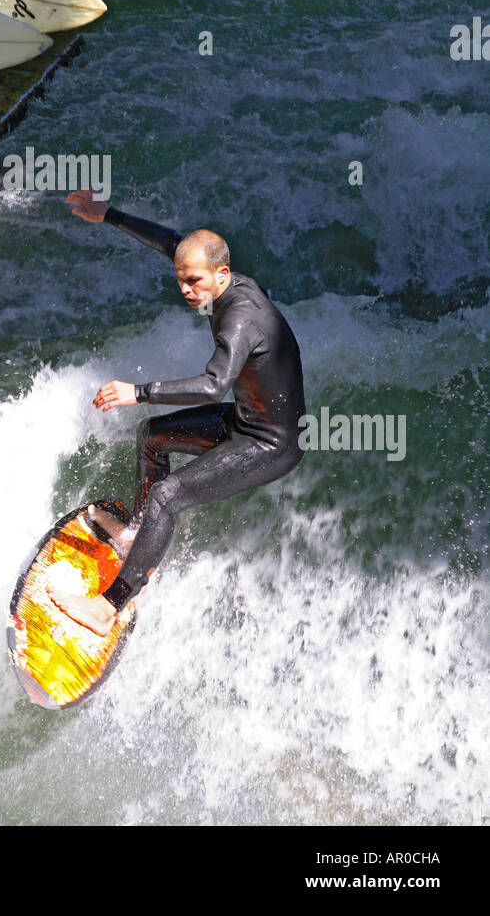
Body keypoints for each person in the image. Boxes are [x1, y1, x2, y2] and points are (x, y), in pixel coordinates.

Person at [49, 191, 306, 634]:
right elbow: (169, 241)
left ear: (221, 274)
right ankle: (137, 537)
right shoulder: (216, 274)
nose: (187, 291)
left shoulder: (240, 317)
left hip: (271, 443)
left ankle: (109, 607)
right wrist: (107, 214)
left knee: (167, 495)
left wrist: (140, 390)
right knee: (152, 436)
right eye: (181, 280)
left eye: (195, 283)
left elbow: (214, 384)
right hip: (247, 421)